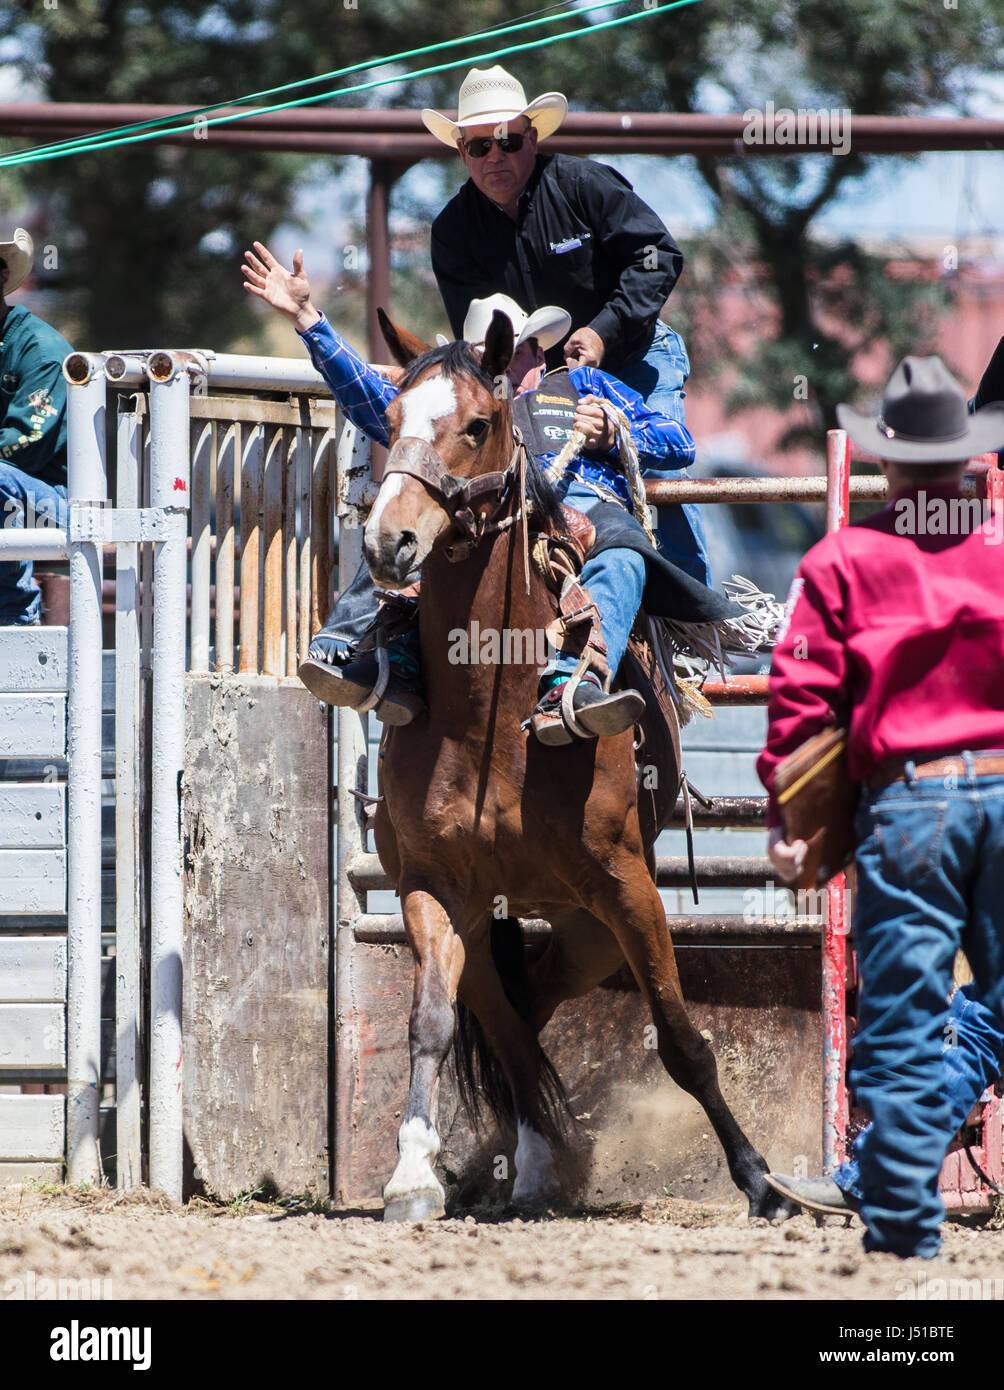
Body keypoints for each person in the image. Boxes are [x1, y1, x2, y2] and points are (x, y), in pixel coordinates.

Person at [241, 243, 732, 746]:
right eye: (500, 353)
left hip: (584, 508)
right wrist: (308, 318)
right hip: (490, 514)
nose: (515, 363)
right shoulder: (459, 404)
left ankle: (578, 677)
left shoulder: (585, 384)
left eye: (523, 349)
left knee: (625, 552)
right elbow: (373, 396)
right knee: (412, 520)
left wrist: (614, 429)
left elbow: (679, 442)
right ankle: (370, 654)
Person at [756, 355, 1004, 1259]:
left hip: (912, 806)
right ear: (970, 459)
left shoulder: (844, 558)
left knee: (900, 1019)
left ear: (888, 462)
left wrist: (788, 824)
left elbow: (800, 696)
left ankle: (898, 1229)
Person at [422, 64, 709, 585]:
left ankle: (692, 620)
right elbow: (478, 338)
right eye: (479, 146)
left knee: (659, 472)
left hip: (638, 358)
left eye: (507, 140)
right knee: (511, 477)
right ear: (461, 151)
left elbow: (656, 254)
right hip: (536, 378)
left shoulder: (584, 185)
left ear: (531, 138)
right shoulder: (452, 230)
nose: (495, 156)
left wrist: (604, 329)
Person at [0, 227, 72, 626]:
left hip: (57, 502)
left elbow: (24, 447)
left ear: (3, 277)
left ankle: (16, 617)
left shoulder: (41, 350)